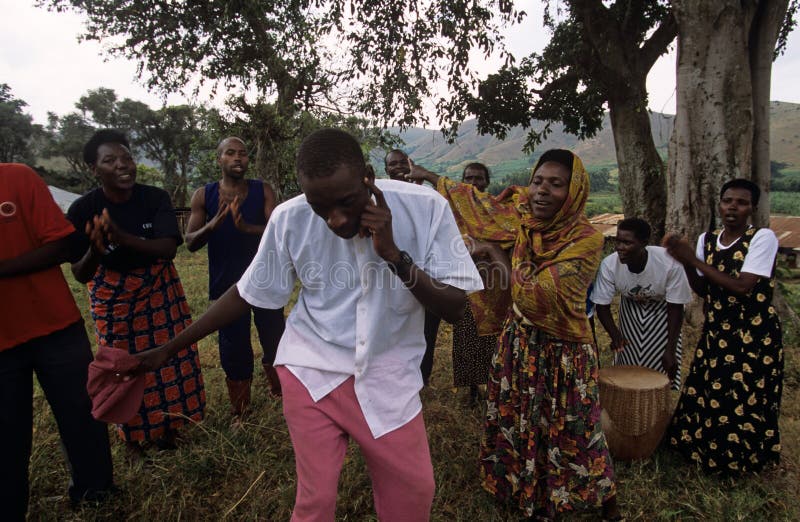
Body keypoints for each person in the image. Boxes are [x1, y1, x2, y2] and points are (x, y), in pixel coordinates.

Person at [131, 128, 484, 520]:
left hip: (389, 377)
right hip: (311, 371)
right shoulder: (290, 217)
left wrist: (394, 255)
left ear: (367, 176)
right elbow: (248, 292)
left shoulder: (426, 208)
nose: (333, 219)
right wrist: (168, 348)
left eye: (345, 202)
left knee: (414, 494)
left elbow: (455, 308)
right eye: (321, 207)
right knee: (315, 504)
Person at [409, 149, 620, 520]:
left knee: (575, 429)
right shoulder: (523, 214)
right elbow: (480, 202)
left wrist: (493, 253)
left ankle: (605, 504)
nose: (541, 191)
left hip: (563, 353)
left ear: (574, 191)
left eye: (556, 185)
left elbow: (535, 296)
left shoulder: (586, 240)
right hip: (521, 341)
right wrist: (429, 175)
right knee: (522, 419)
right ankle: (527, 493)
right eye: (538, 181)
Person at [67, 129, 205, 458]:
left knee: (168, 358)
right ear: (93, 168)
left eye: (126, 157)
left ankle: (169, 426)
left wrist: (121, 236)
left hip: (158, 287)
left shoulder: (154, 198)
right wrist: (97, 250)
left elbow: (168, 249)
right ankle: (132, 433)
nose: (122, 165)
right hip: (111, 292)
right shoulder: (83, 209)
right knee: (120, 363)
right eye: (110, 160)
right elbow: (79, 273)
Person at [0, 163, 115, 519]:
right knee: (6, 431)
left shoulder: (16, 178)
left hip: (55, 323)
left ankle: (95, 493)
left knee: (81, 413)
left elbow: (62, 245)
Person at [664, 178, 783, 474]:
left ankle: (741, 459)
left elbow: (742, 286)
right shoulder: (708, 238)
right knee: (710, 390)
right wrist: (687, 263)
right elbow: (704, 290)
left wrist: (693, 259)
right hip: (717, 331)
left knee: (745, 395)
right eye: (728, 200)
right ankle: (702, 450)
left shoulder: (762, 238)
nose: (733, 207)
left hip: (753, 333)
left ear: (752, 208)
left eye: (741, 202)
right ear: (719, 204)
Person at [184, 136, 285, 419]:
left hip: (264, 279)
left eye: (242, 153)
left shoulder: (262, 191)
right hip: (226, 284)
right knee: (233, 347)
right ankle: (241, 411)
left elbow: (278, 232)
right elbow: (190, 241)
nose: (238, 158)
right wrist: (214, 224)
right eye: (231, 153)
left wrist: (246, 227)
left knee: (275, 340)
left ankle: (281, 394)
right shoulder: (203, 196)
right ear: (220, 159)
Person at [591, 217, 692, 389]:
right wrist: (616, 335)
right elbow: (602, 306)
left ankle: (657, 406)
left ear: (644, 243)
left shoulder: (669, 263)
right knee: (628, 366)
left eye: (627, 243)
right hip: (629, 309)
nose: (620, 248)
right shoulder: (609, 265)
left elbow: (675, 307)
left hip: (663, 311)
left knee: (662, 365)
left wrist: (670, 349)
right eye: (618, 241)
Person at [384, 148, 441, 385]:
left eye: (402, 163)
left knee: (427, 330)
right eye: (392, 164)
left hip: (426, 274)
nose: (398, 167)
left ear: (412, 165)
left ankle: (421, 379)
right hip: (390, 277)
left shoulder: (429, 198)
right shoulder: (380, 197)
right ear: (385, 170)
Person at [451, 162, 499, 403]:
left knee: (493, 338)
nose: (473, 183)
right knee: (466, 335)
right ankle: (471, 388)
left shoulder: (496, 211)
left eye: (478, 178)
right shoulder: (455, 211)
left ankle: (495, 385)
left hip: (494, 283)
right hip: (466, 282)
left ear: (486, 182)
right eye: (468, 178)